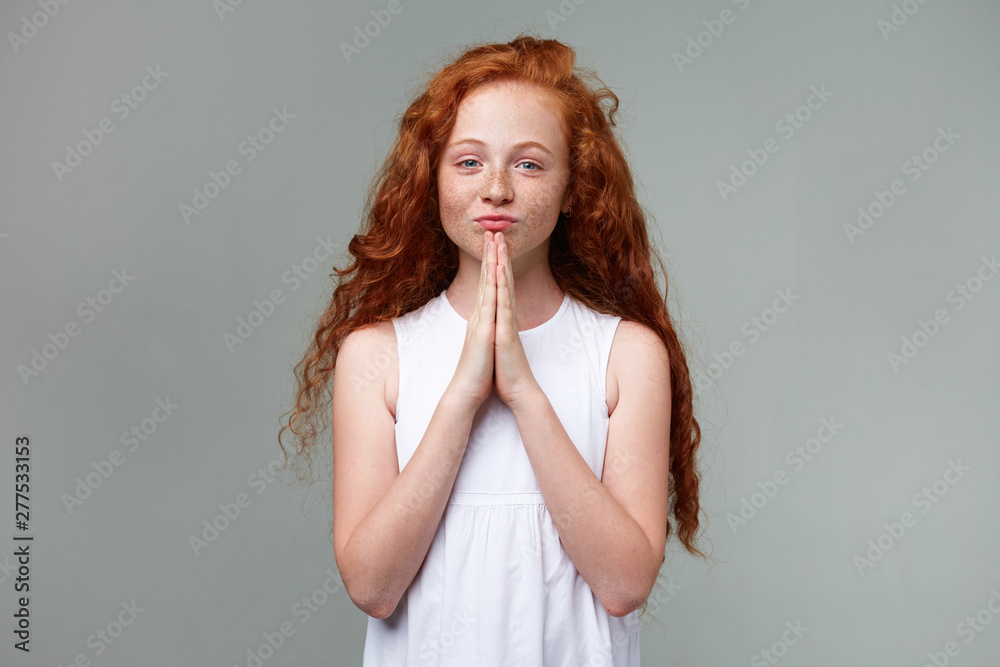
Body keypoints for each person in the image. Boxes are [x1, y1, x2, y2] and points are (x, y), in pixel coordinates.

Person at [278, 34, 708, 665]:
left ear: (573, 190)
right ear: (431, 181)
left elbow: (623, 585)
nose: (498, 189)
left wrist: (525, 391)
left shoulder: (627, 356)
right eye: (469, 161)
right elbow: (372, 587)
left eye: (530, 164)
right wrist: (462, 394)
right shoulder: (375, 356)